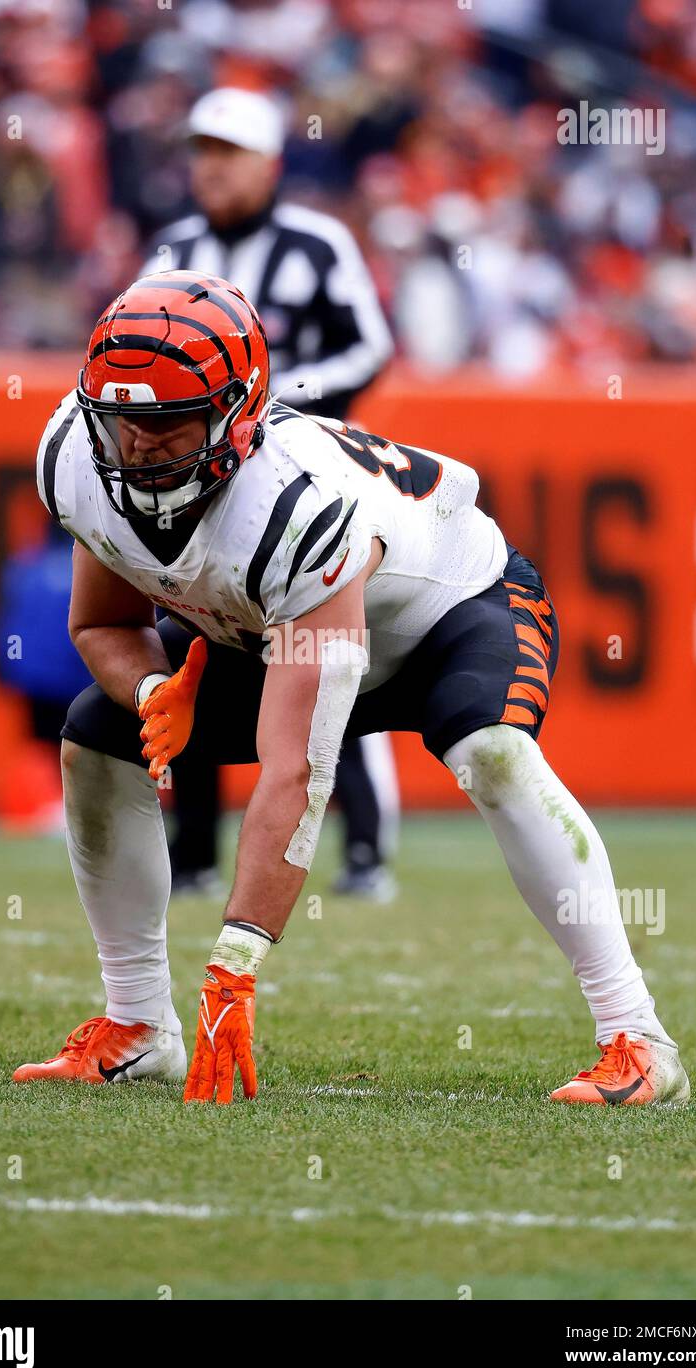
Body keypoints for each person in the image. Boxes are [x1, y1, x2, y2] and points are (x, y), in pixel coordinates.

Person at [13, 270, 689, 1109]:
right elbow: (104, 624)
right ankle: (138, 1025)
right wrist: (152, 685)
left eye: (166, 423)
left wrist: (235, 968)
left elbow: (294, 772)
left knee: (493, 753)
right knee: (95, 732)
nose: (139, 447)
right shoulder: (76, 457)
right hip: (276, 625)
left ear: (237, 414)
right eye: (122, 424)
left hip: (450, 611)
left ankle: (637, 1037)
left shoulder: (296, 509)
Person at [143, 87, 398, 900]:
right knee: (190, 650)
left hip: (305, 474)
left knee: (325, 651)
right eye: (201, 152)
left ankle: (362, 854)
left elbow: (370, 346)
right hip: (199, 493)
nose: (209, 169)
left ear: (269, 164)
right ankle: (193, 858)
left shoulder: (318, 243)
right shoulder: (172, 249)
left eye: (227, 153)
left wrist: (283, 392)